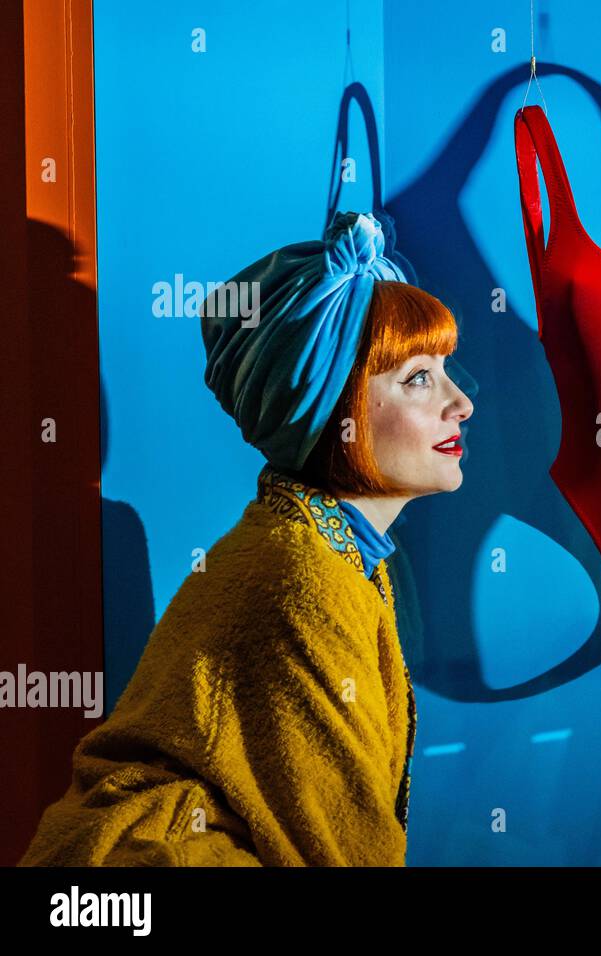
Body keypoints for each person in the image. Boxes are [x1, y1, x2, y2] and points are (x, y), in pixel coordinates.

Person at [19, 212, 473, 866]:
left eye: (444, 370)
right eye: (418, 379)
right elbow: (339, 849)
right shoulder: (302, 578)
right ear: (334, 408)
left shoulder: (332, 554)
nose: (461, 403)